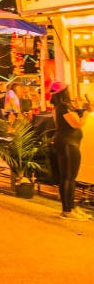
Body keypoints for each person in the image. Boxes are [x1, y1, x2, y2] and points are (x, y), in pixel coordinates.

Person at [50, 81, 94, 221]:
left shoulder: (62, 106)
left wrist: (81, 108)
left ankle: (71, 207)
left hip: (69, 143)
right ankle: (67, 211)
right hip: (68, 144)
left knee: (70, 177)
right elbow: (77, 123)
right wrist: (87, 111)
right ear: (64, 92)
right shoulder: (63, 107)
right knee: (67, 177)